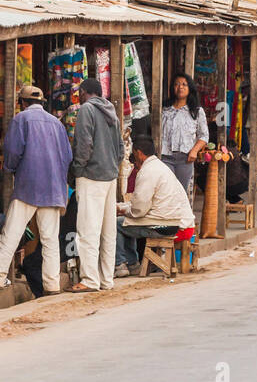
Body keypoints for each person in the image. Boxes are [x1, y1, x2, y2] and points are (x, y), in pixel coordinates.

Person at [0, 84, 72, 295]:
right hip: (53, 187)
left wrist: (10, 169)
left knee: (12, 232)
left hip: (29, 185)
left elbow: (13, 151)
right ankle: (52, 285)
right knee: (50, 239)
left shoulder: (20, 119)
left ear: (22, 103)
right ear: (41, 103)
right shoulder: (57, 124)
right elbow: (68, 156)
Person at [69, 76, 125, 292]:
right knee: (108, 230)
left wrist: (78, 169)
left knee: (87, 229)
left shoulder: (86, 110)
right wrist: (112, 167)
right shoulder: (111, 112)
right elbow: (120, 148)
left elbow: (84, 144)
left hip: (91, 176)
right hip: (110, 176)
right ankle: (106, 279)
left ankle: (90, 279)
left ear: (84, 92)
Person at [117, 138, 195, 270]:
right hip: (175, 223)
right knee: (126, 221)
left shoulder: (147, 171)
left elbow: (139, 210)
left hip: (165, 226)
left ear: (139, 153)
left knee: (118, 223)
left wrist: (123, 210)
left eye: (135, 154)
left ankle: (121, 264)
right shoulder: (160, 167)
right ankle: (132, 263)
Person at [159, 73, 208, 196]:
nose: (180, 87)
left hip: (185, 159)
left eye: (184, 84)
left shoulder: (196, 111)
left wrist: (194, 151)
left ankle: (181, 216)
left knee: (181, 193)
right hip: (165, 157)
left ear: (189, 88)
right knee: (166, 192)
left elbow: (204, 136)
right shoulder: (164, 109)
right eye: (176, 84)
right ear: (172, 88)